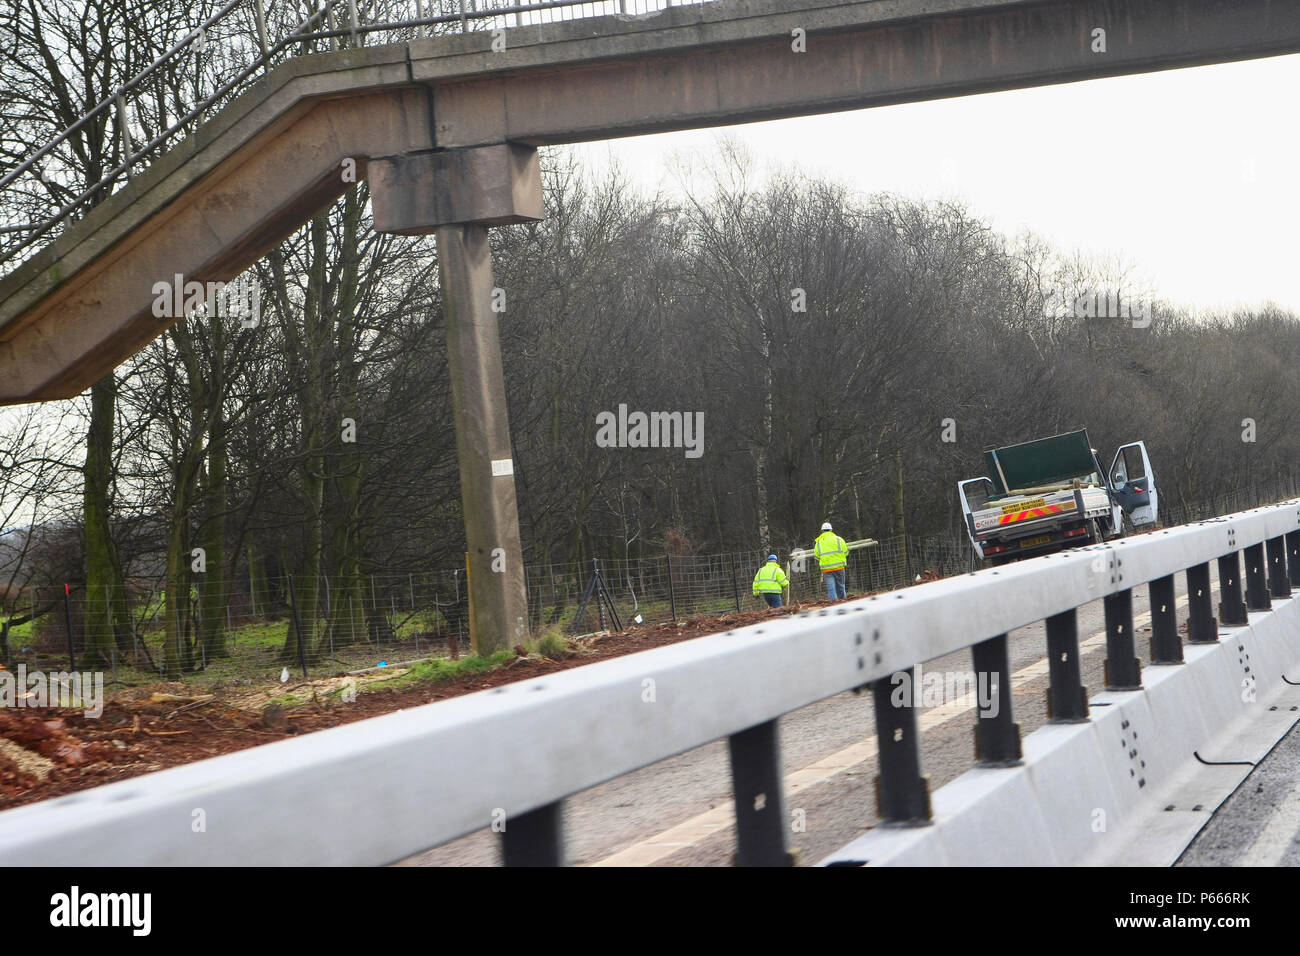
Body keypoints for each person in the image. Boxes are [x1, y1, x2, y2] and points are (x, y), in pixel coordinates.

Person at [814, 521, 848, 600]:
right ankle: (843, 602)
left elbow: (817, 556)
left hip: (827, 569)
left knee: (831, 588)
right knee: (841, 586)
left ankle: (833, 604)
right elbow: (846, 552)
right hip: (839, 567)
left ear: (822, 531)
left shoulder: (818, 542)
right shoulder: (839, 539)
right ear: (831, 530)